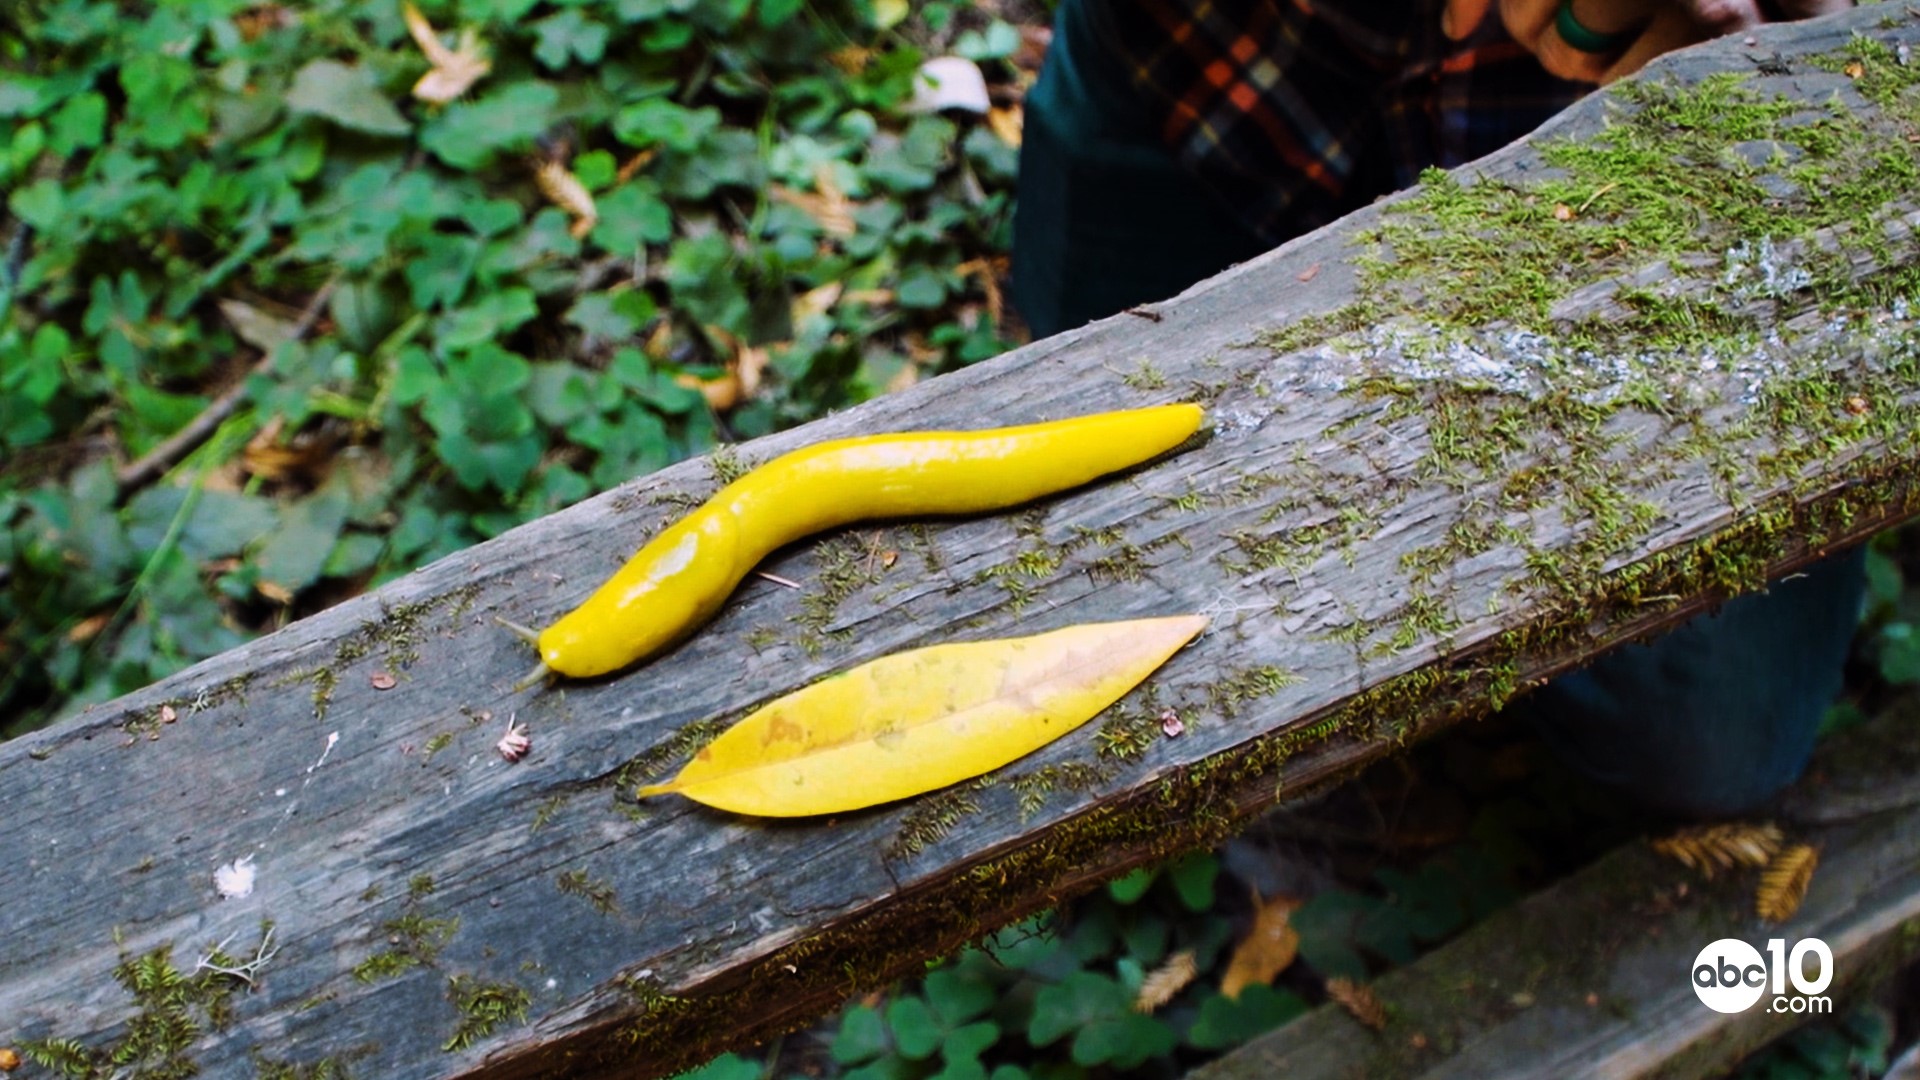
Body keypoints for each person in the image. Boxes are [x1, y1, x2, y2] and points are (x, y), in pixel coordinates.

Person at [1010, 0, 1865, 817]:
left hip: (1600, 146)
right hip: (1214, 68)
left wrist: (1814, 37)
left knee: (1714, 741)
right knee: (1091, 509)